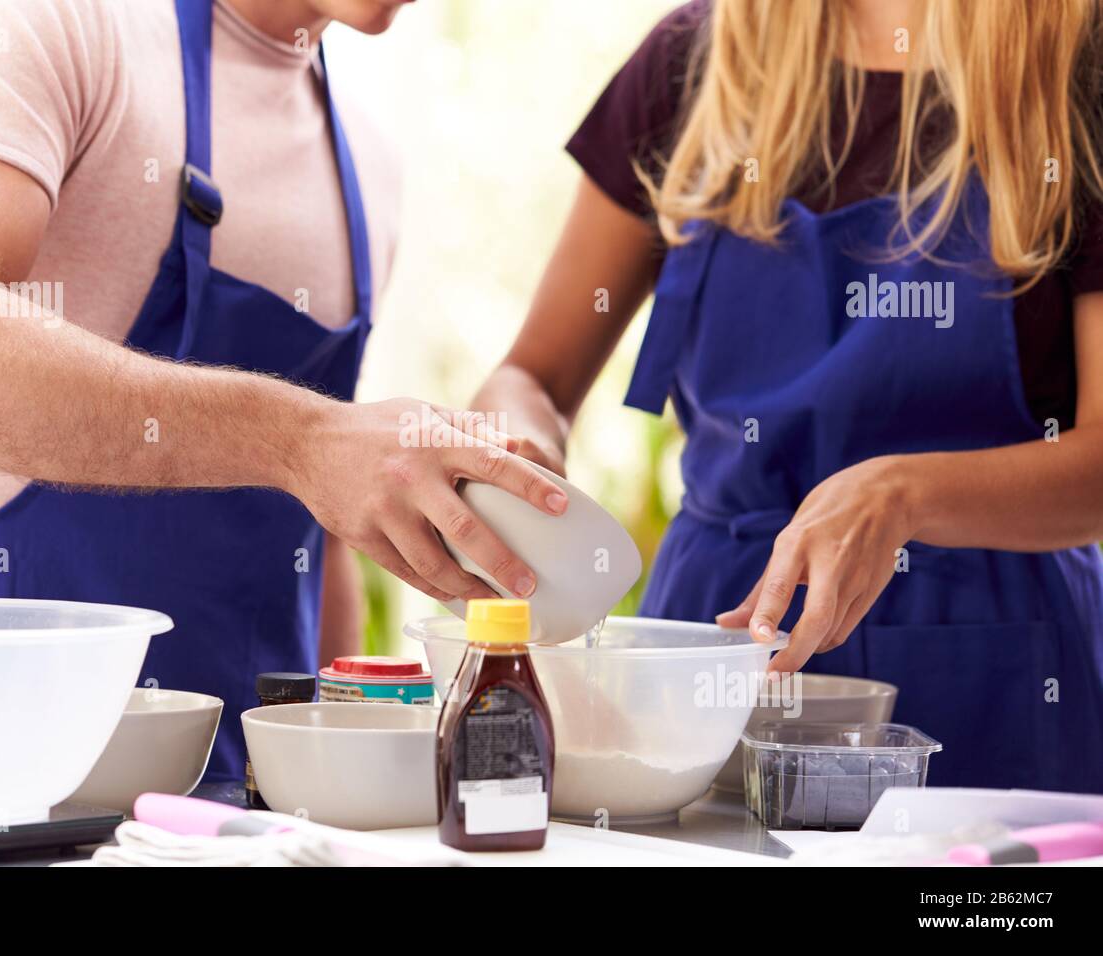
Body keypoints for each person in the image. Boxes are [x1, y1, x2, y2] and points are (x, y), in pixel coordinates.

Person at [0, 0, 568, 791]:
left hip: (228, 814)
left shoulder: (370, 163)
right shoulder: (37, 20)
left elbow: (321, 520)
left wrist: (335, 779)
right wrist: (302, 439)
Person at [472, 0, 1103, 791]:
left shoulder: (1078, 56)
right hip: (713, 654)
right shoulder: (697, 56)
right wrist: (518, 447)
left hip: (1000, 667)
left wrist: (903, 494)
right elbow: (534, 377)